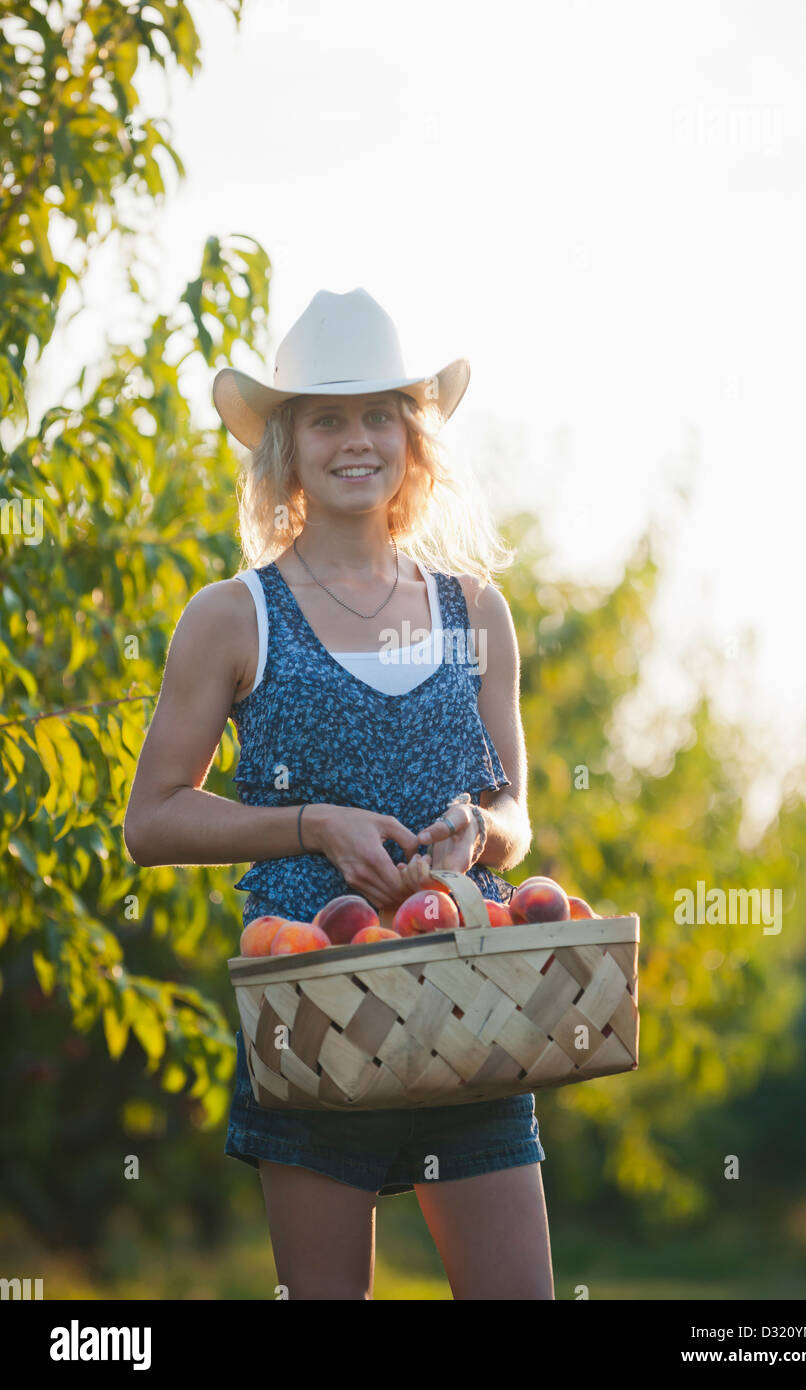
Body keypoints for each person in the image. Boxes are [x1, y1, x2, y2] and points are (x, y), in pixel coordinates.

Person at [123, 287, 555, 1300]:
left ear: (410, 437)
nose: (354, 439)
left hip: (467, 1004)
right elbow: (151, 819)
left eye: (377, 415)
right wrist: (312, 822)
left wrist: (476, 831)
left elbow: (516, 814)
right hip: (312, 1014)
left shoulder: (474, 610)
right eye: (326, 417)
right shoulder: (234, 616)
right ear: (286, 443)